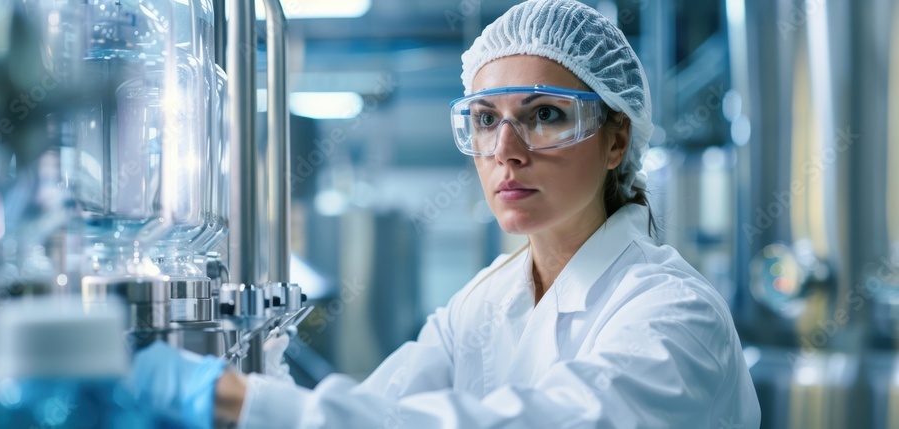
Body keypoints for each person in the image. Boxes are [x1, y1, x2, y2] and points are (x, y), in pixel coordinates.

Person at [129, 0, 762, 427]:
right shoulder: (485, 302)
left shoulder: (674, 315)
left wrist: (227, 398)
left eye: (545, 115)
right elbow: (379, 407)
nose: (505, 152)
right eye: (487, 120)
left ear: (616, 139)